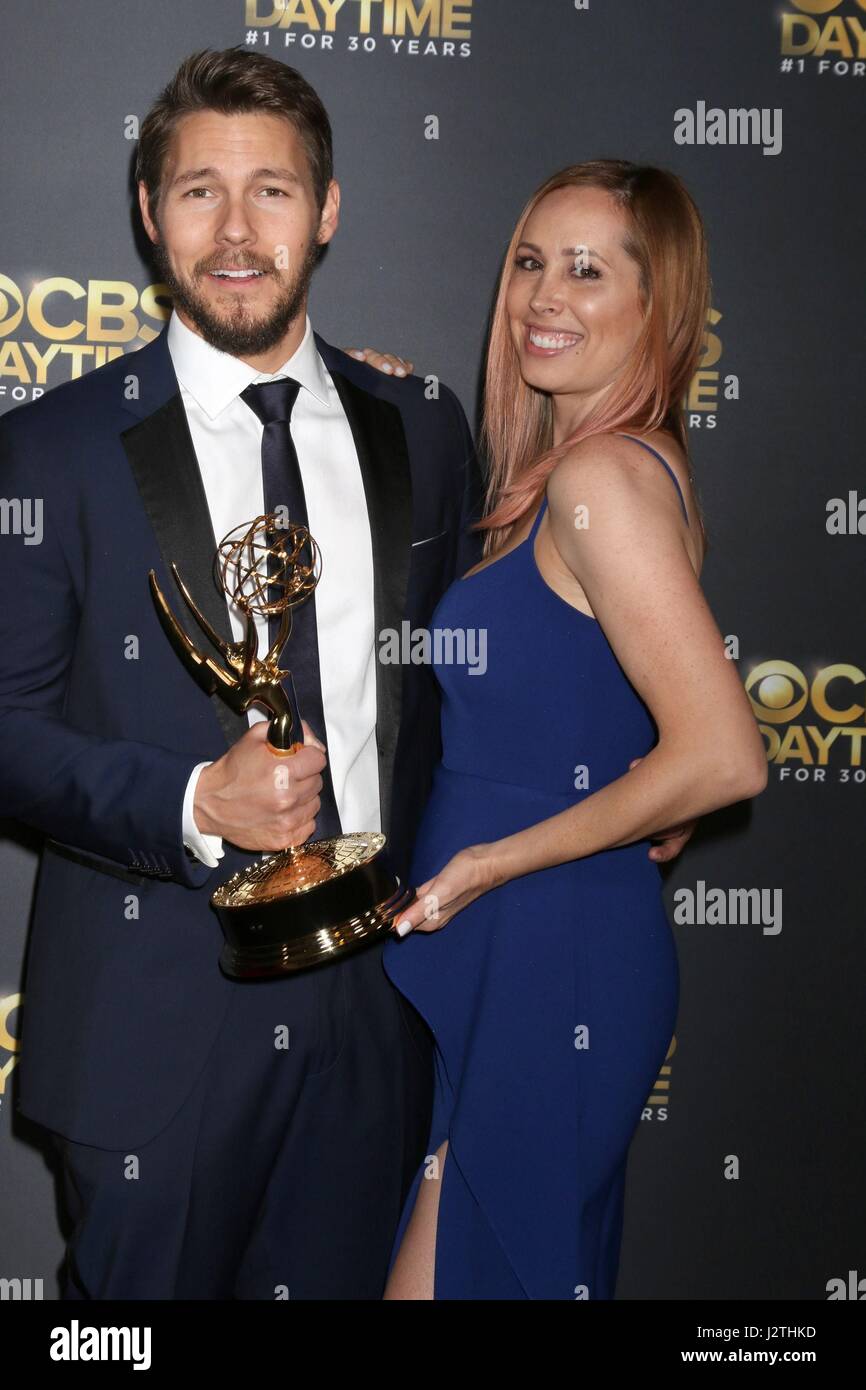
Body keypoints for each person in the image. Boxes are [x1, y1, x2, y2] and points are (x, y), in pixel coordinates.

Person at [0, 46, 486, 1299]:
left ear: (325, 212)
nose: (234, 227)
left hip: (376, 1017)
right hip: (152, 1023)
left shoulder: (422, 427)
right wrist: (191, 805)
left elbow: (462, 688)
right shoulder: (50, 453)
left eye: (271, 189)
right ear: (149, 214)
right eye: (198, 188)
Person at [378, 160, 768, 1300]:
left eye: (587, 270)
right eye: (529, 263)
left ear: (659, 308)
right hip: (524, 950)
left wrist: (498, 859)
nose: (544, 296)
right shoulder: (576, 473)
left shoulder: (600, 475)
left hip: (550, 956)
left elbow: (723, 753)